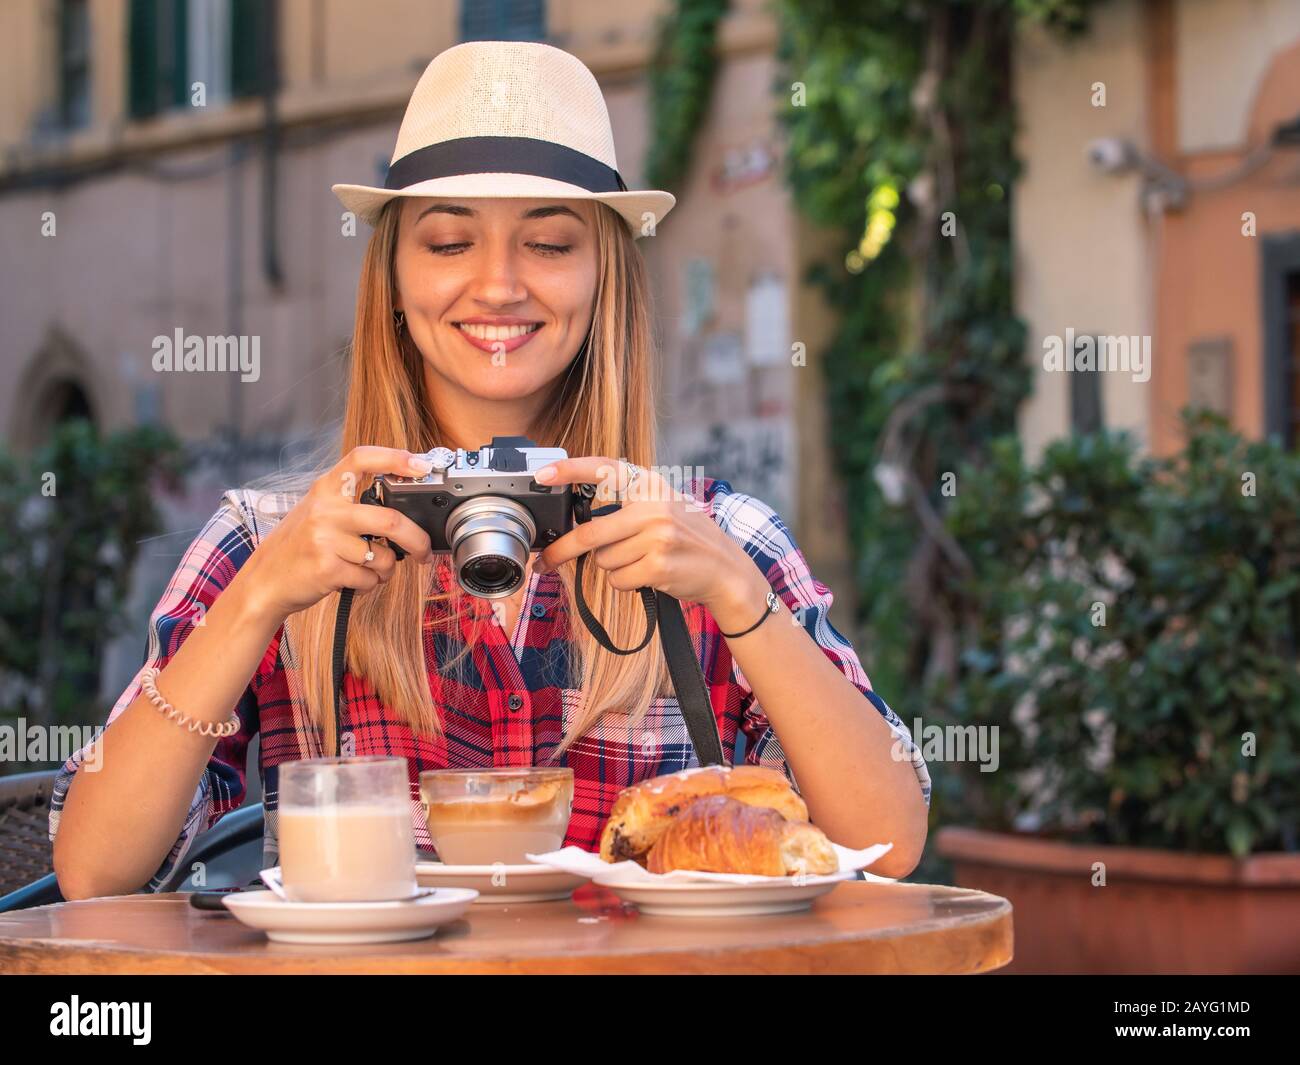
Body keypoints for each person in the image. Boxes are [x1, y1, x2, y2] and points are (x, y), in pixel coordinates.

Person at [50, 41, 931, 900]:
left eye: (549, 244)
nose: (500, 284)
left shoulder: (711, 536)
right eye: (447, 243)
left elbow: (885, 841)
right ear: (393, 277)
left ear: (605, 281)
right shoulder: (275, 538)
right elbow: (99, 868)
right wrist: (258, 599)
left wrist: (742, 602)